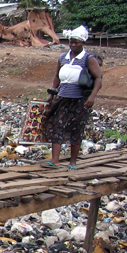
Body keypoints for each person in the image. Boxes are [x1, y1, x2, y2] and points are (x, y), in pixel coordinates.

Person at [42, 25, 102, 169]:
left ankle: (73, 162)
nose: (73, 45)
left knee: (76, 128)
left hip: (80, 99)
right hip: (62, 97)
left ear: (83, 43)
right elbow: (57, 77)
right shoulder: (63, 57)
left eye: (77, 42)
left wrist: (92, 97)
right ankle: (55, 159)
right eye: (71, 42)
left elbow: (98, 78)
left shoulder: (88, 58)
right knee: (57, 125)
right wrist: (52, 93)